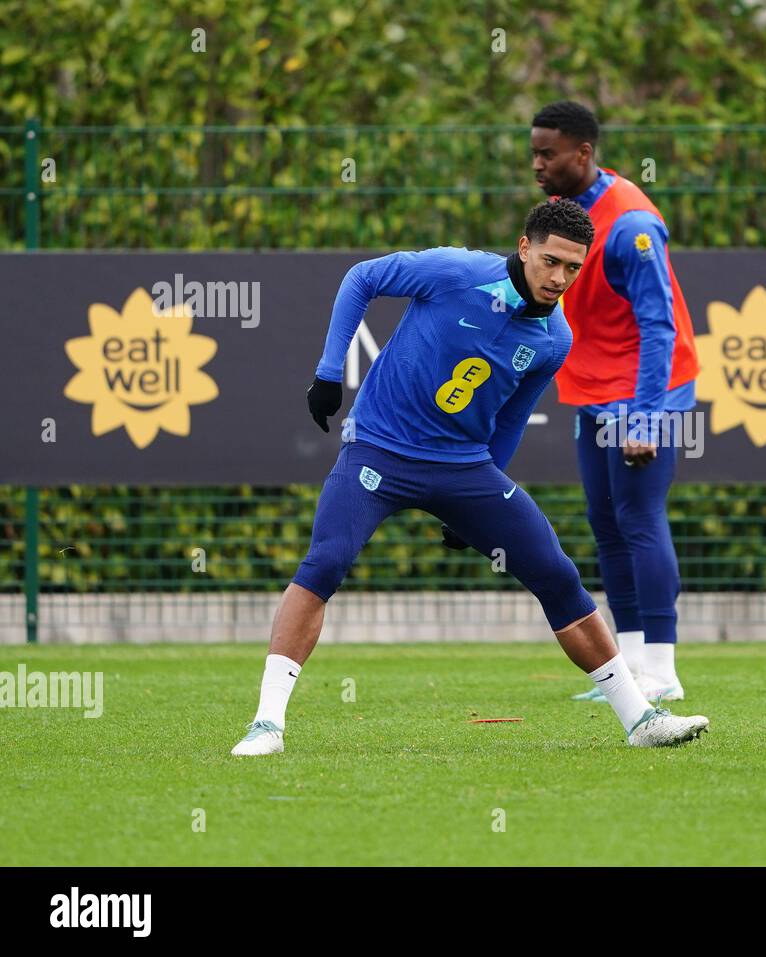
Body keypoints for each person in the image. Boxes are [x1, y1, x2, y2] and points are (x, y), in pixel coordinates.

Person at [230, 199, 709, 756]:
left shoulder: (555, 339)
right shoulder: (457, 271)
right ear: (524, 246)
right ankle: (267, 724)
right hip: (378, 453)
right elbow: (362, 278)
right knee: (325, 562)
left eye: (573, 268)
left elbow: (508, 419)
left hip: (464, 468)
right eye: (550, 261)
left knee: (555, 573)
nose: (559, 278)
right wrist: (329, 372)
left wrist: (478, 499)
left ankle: (639, 720)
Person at [529, 101, 699, 703]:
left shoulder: (631, 224)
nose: (538, 165)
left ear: (584, 153)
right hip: (598, 391)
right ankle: (630, 666)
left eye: (548, 153)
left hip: (645, 392)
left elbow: (661, 328)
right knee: (606, 523)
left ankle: (664, 668)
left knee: (639, 519)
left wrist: (648, 417)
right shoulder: (567, 217)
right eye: (534, 153)